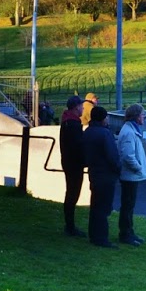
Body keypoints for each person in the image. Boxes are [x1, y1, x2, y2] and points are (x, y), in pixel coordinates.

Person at [83, 104, 121, 247]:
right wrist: (118, 168)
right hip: (106, 174)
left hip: (94, 172)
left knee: (95, 205)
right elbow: (112, 155)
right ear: (103, 118)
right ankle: (101, 237)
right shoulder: (105, 134)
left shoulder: (88, 132)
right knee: (104, 207)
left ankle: (94, 234)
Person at [114, 104, 146, 246]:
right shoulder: (129, 132)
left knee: (129, 205)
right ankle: (125, 233)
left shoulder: (131, 130)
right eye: (142, 115)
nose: (144, 117)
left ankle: (129, 232)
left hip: (132, 174)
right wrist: (139, 169)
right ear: (136, 116)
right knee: (128, 205)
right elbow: (128, 156)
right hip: (130, 175)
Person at [59, 95, 86, 237]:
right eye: (81, 106)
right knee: (72, 193)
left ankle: (69, 225)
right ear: (76, 107)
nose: (83, 108)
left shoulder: (67, 121)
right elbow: (77, 147)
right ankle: (70, 226)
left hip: (69, 162)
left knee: (71, 192)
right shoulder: (73, 124)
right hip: (74, 164)